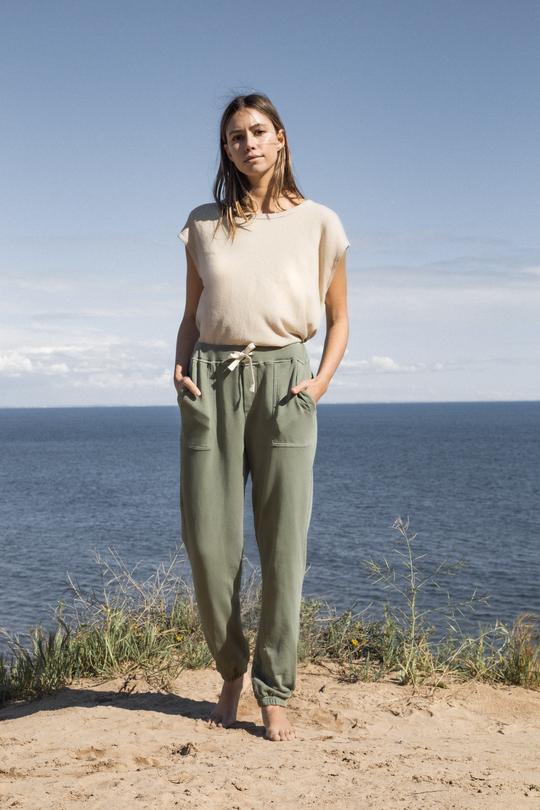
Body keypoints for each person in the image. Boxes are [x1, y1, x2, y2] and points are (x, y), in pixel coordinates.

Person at [173, 92, 350, 742]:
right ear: (225, 150)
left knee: (284, 547)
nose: (247, 143)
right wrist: (180, 369)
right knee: (208, 543)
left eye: (257, 131)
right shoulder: (203, 224)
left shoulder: (320, 222)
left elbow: (340, 318)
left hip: (286, 382)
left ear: (280, 138)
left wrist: (319, 383)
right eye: (234, 137)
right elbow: (191, 314)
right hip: (212, 379)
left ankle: (274, 689)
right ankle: (230, 671)